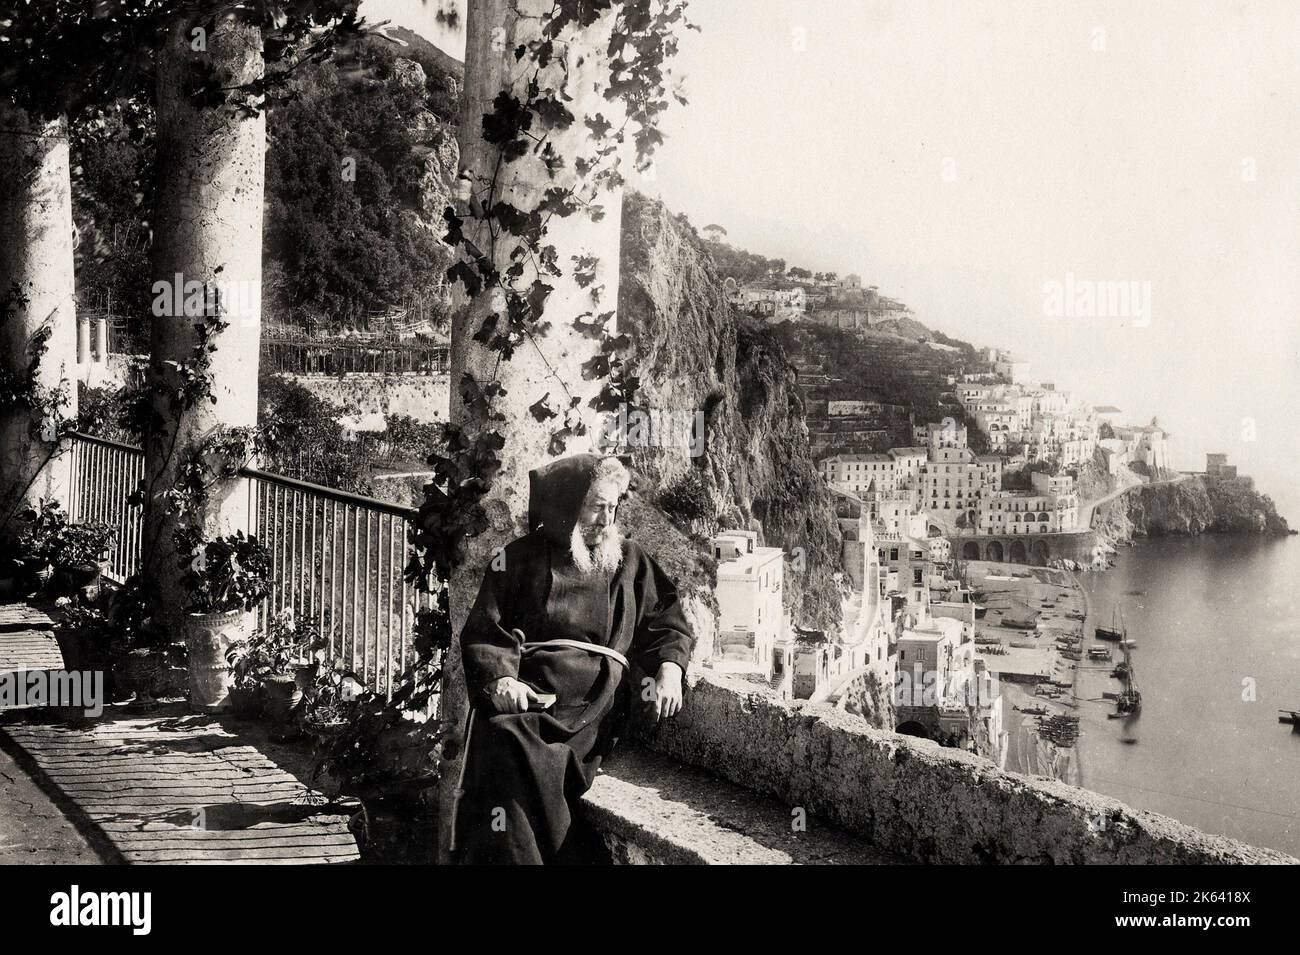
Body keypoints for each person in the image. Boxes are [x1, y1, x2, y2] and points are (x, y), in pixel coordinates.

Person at [452, 453, 695, 864]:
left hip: (592, 702)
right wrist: (501, 679)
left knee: (518, 749)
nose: (606, 520)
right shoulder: (518, 557)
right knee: (500, 740)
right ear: (566, 506)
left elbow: (667, 620)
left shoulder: (630, 560)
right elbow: (484, 629)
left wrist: (671, 666)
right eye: (597, 507)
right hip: (531, 694)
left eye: (613, 508)